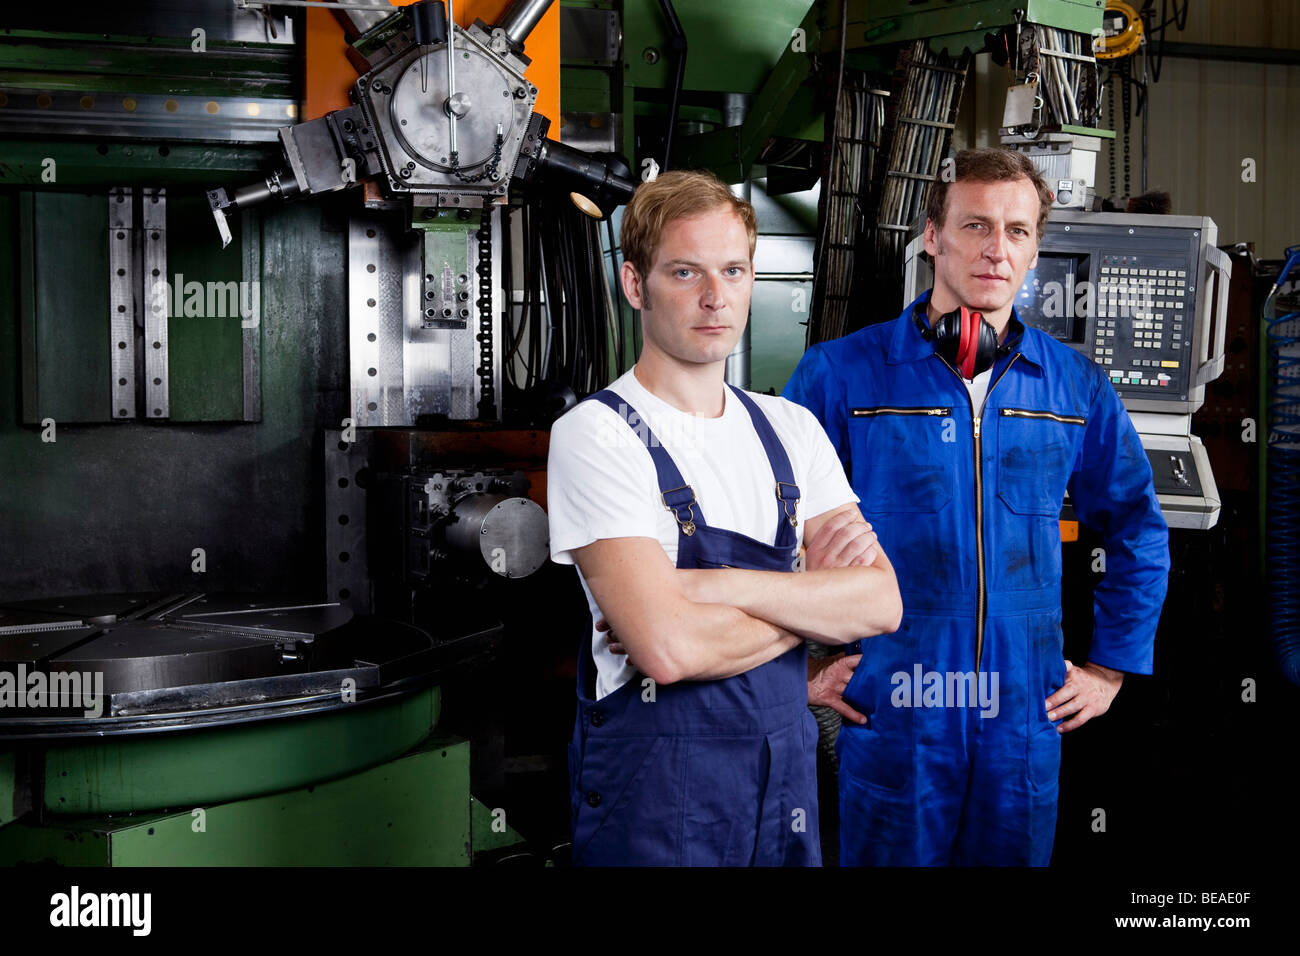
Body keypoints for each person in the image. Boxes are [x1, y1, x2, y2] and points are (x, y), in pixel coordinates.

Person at [784, 147, 1170, 866]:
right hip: (896, 703)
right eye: (975, 226)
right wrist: (799, 671)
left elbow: (1137, 528)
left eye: (1017, 231)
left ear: (1034, 249)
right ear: (932, 236)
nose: (997, 250)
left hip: (1022, 713)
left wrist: (1111, 668)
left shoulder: (1073, 386)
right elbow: (765, 526)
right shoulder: (840, 374)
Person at [547, 169, 902, 866]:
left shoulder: (791, 429)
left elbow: (882, 602)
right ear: (633, 285)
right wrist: (809, 602)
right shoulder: (597, 435)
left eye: (734, 270)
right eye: (685, 272)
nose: (716, 297)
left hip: (785, 785)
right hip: (656, 798)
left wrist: (703, 587)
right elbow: (668, 651)